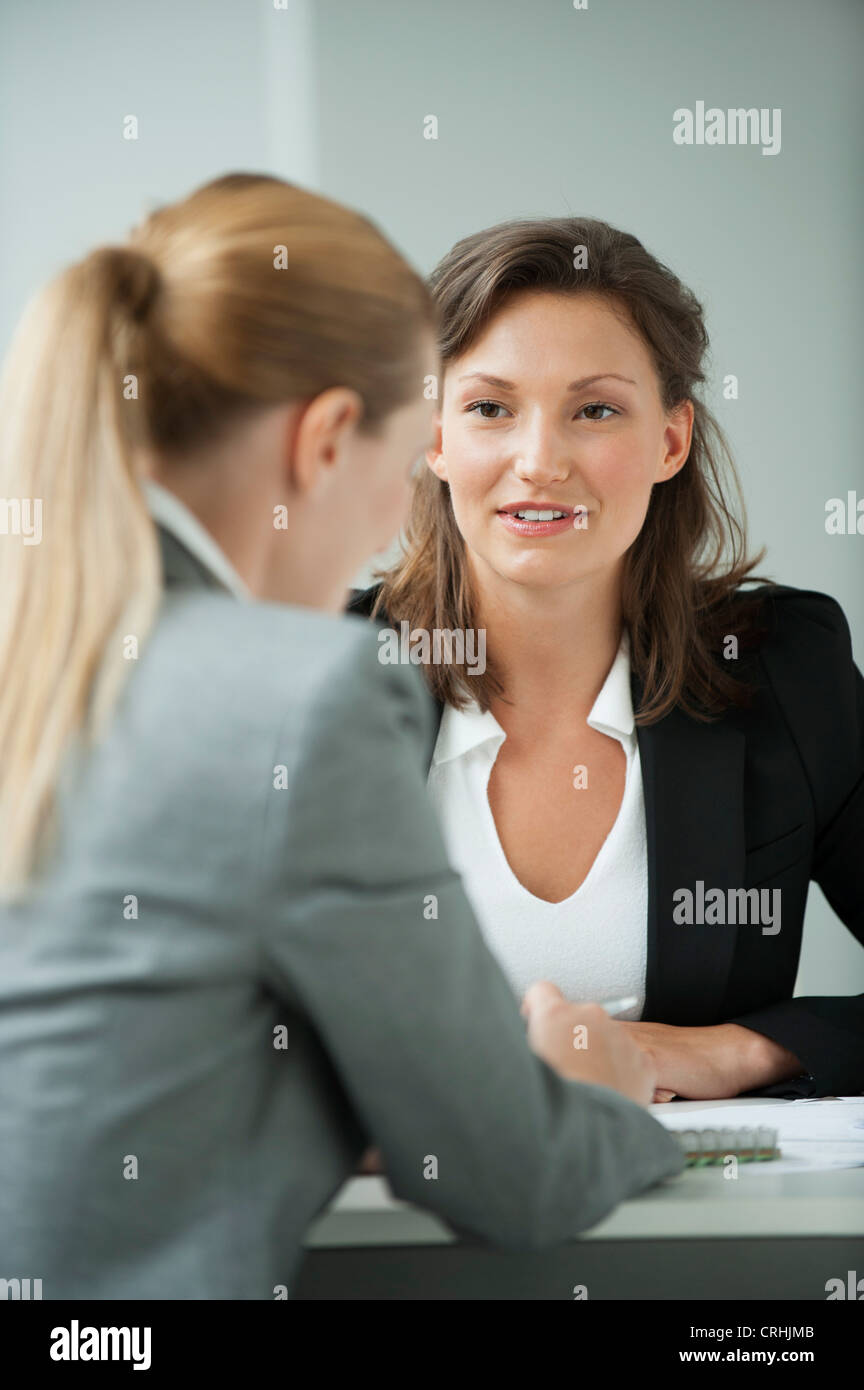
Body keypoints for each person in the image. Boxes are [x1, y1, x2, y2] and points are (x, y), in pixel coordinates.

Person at [0, 175, 683, 1300]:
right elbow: (510, 1175)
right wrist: (595, 1086)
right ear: (325, 442)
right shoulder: (307, 695)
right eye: (432, 439)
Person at [350, 215, 864, 1102]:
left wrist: (722, 1052)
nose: (539, 461)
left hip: (691, 1231)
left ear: (671, 440)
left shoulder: (783, 670)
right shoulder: (316, 674)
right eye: (489, 408)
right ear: (433, 439)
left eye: (595, 410)